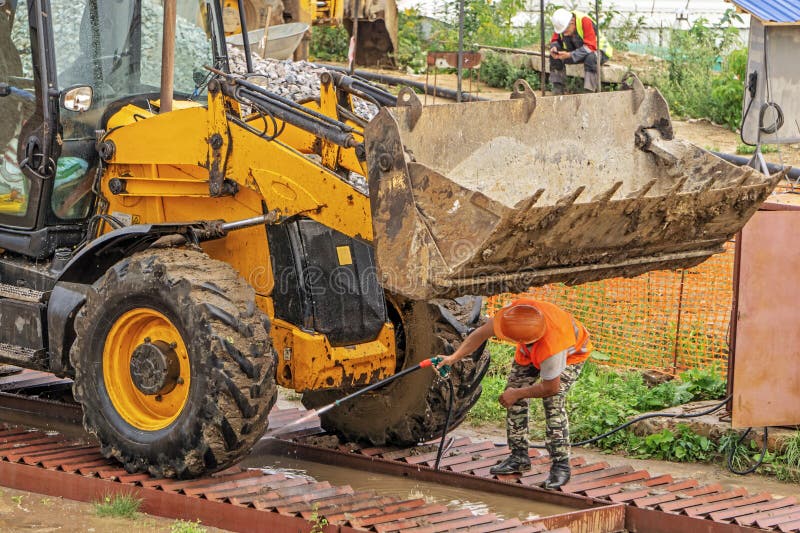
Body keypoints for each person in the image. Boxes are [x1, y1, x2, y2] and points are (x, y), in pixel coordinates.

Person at [435, 298, 591, 489]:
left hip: (571, 354)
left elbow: (551, 387)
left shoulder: (552, 347)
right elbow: (480, 334)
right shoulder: (511, 316)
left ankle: (561, 466)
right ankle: (519, 457)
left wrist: (518, 393)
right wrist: (453, 357)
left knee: (552, 403)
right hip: (530, 352)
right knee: (512, 392)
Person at [549, 7, 613, 94]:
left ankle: (589, 92)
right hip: (578, 52)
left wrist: (570, 55)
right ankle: (557, 90)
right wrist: (554, 48)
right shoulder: (562, 23)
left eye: (565, 31)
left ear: (572, 22)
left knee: (591, 58)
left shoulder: (584, 20)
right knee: (555, 57)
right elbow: (555, 40)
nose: (564, 34)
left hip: (599, 51)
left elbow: (590, 47)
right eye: (562, 32)